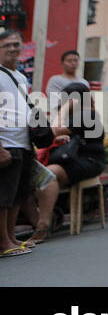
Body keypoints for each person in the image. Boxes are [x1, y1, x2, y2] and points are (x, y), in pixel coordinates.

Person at [1, 29, 37, 256]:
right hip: (6, 142)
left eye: (16, 44)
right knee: (3, 197)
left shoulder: (21, 76)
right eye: (7, 45)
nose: (13, 48)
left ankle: (12, 237)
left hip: (23, 142)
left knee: (18, 195)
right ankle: (3, 243)